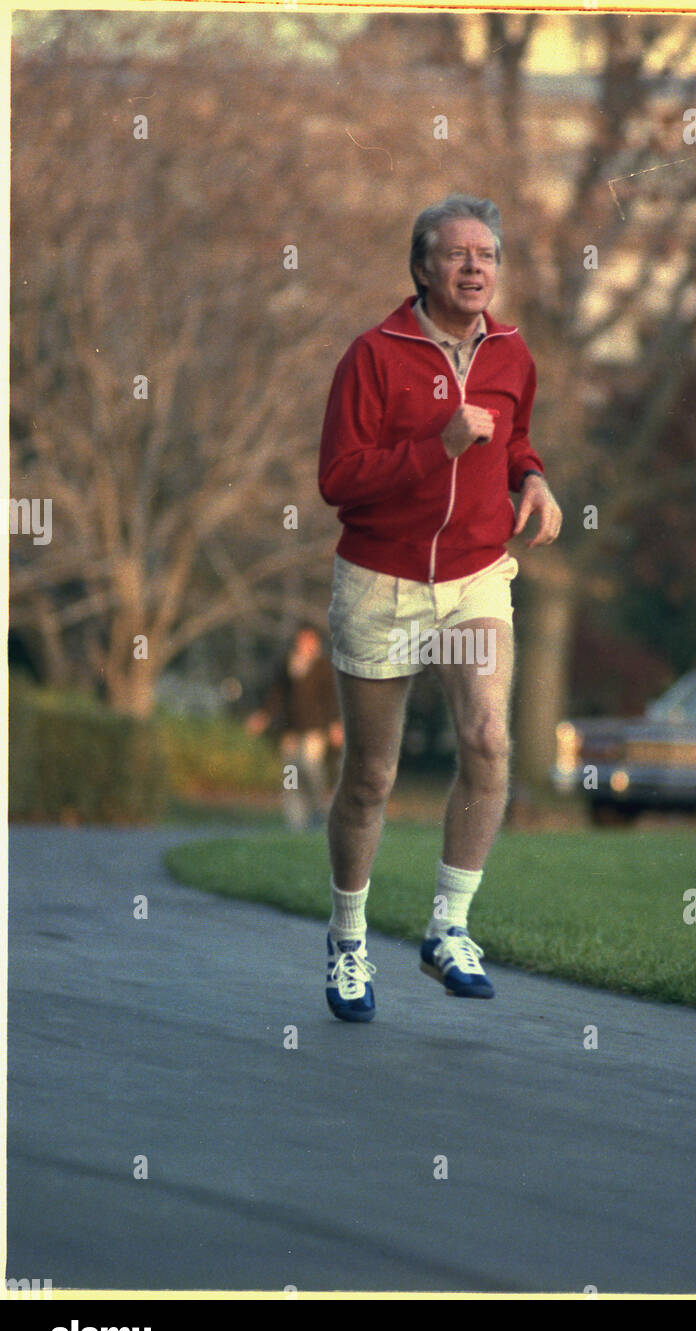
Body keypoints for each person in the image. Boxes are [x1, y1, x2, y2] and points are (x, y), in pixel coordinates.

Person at [317, 193, 562, 1022]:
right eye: (457, 255)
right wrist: (438, 447)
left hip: (472, 576)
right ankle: (348, 941)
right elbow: (339, 480)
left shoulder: (512, 352)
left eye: (487, 255)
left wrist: (532, 478)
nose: (474, 268)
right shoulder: (374, 355)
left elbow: (515, 435)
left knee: (487, 739)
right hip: (380, 581)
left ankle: (447, 927)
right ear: (422, 268)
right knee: (370, 777)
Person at [246, 623, 343, 830]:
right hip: (289, 729)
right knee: (291, 774)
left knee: (309, 766)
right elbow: (277, 694)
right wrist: (263, 715)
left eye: (309, 640)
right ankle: (295, 822)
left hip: (314, 728)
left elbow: (332, 698)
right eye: (301, 640)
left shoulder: (324, 666)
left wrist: (335, 724)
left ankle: (317, 809)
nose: (304, 644)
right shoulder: (287, 664)